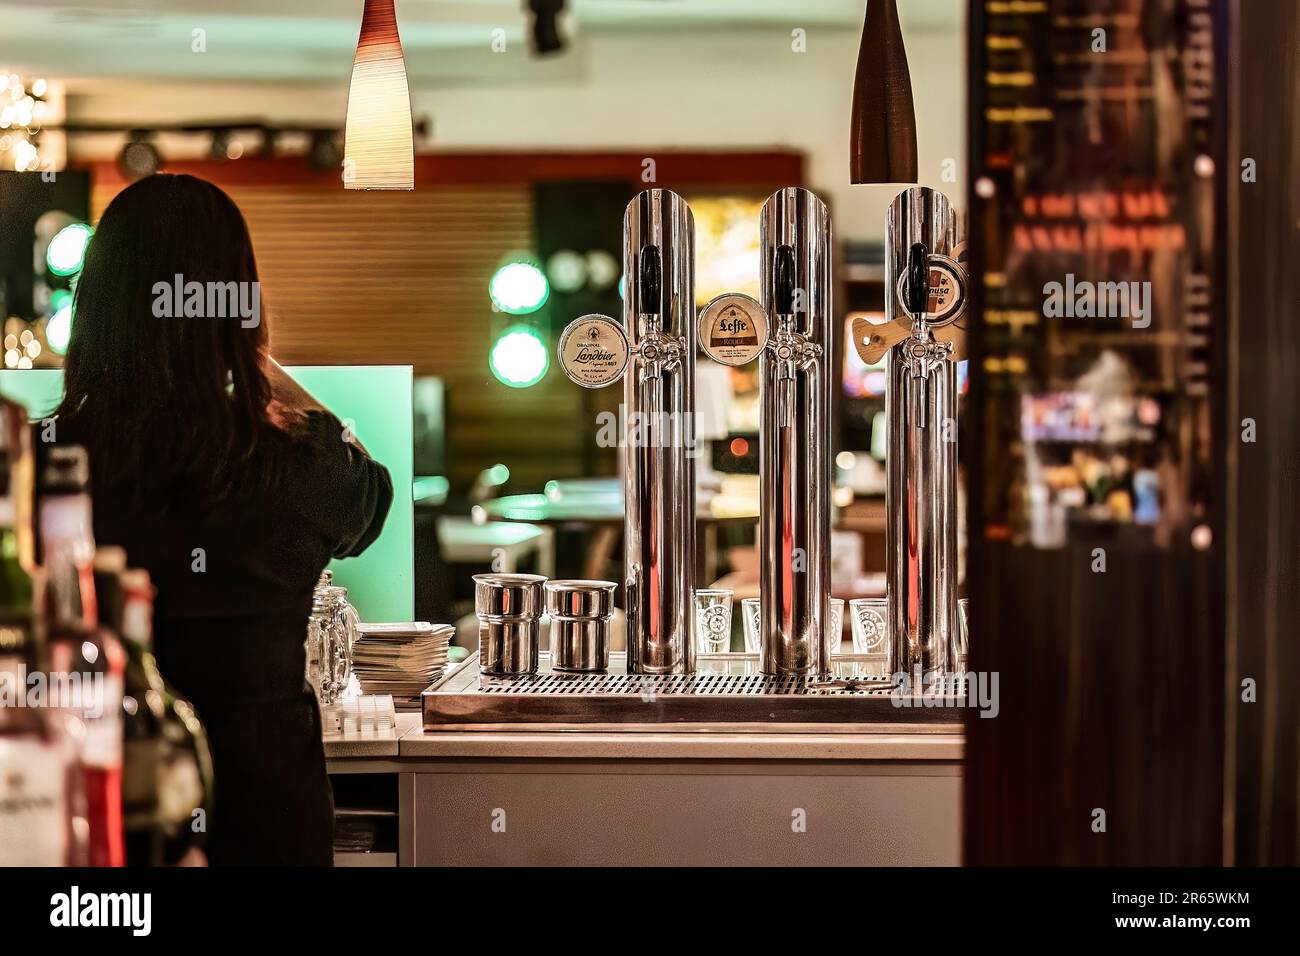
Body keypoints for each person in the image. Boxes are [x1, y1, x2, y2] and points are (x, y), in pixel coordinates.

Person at [53, 173, 393, 865]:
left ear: (92, 303)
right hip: (263, 820)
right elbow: (374, 501)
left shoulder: (47, 467)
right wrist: (252, 360)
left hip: (95, 814)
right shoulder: (300, 465)